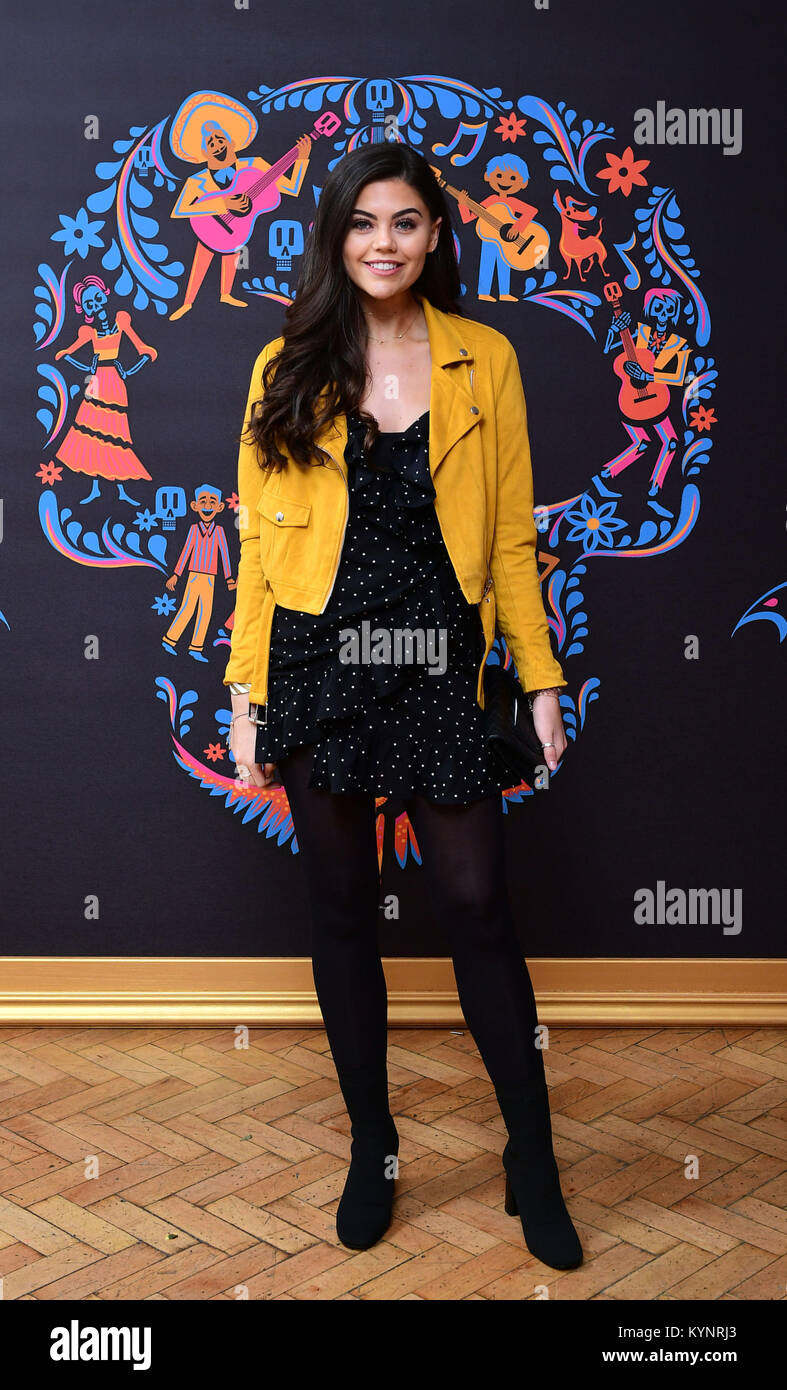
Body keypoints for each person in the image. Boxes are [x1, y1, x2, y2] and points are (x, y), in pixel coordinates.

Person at [223, 142, 582, 1271]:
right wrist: (244, 690)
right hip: (317, 657)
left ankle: (532, 1156)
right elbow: (255, 549)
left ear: (436, 236)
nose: (385, 242)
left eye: (408, 222)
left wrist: (538, 678)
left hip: (437, 656)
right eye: (365, 222)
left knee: (479, 909)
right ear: (335, 235)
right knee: (341, 911)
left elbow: (514, 536)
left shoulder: (488, 357)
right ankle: (373, 1147)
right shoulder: (286, 363)